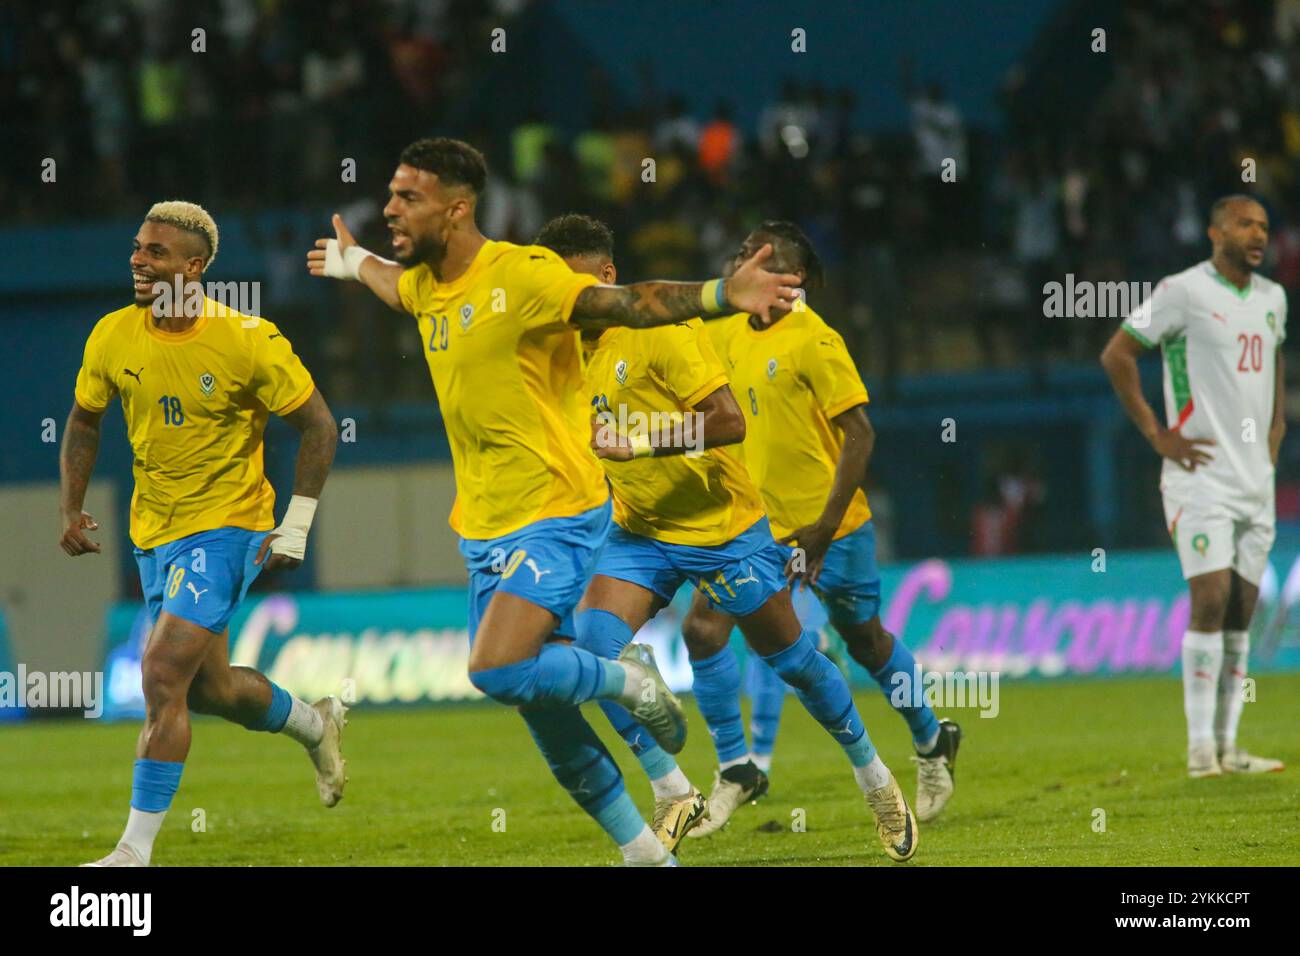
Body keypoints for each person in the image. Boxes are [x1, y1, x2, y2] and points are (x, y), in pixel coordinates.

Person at [305, 138, 804, 865]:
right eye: (390, 193)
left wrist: (721, 295)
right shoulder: (427, 286)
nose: (388, 208)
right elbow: (392, 284)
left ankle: (624, 678)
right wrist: (352, 263)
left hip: (556, 512)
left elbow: (630, 303)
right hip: (483, 526)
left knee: (497, 670)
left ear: (458, 207)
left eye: (407, 196)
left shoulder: (525, 273)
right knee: (538, 708)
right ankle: (647, 852)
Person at [535, 212, 919, 862]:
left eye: (577, 291)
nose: (567, 308)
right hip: (640, 533)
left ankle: (874, 775)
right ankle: (672, 786)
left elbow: (729, 421)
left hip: (720, 525)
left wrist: (642, 442)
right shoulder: (563, 352)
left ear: (607, 278)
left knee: (794, 661)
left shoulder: (661, 335)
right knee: (594, 653)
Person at [61, 201, 345, 867]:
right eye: (137, 246)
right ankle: (314, 722)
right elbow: (83, 420)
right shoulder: (111, 335)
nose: (138, 258)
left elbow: (320, 426)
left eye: (156, 252)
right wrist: (70, 508)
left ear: (193, 267)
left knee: (160, 671)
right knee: (210, 691)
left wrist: (295, 527)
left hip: (226, 527)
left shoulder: (246, 338)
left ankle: (133, 852)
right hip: (153, 534)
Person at [683, 222, 959, 836]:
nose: (746, 261)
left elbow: (861, 434)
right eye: (742, 252)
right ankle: (737, 767)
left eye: (765, 256)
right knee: (703, 630)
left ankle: (931, 739)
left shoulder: (816, 340)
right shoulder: (722, 331)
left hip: (829, 526)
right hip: (750, 528)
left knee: (865, 642)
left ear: (795, 277)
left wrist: (824, 529)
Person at [1100, 194, 1287, 778]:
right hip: (1198, 476)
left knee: (1242, 611)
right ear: (1214, 232)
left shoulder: (1273, 299)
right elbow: (1117, 355)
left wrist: (1272, 447)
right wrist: (1157, 433)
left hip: (1255, 482)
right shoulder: (1182, 291)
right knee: (1208, 599)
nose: (1257, 234)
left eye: (1263, 225)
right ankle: (1199, 749)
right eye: (1244, 224)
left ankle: (1230, 749)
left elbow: (1276, 381)